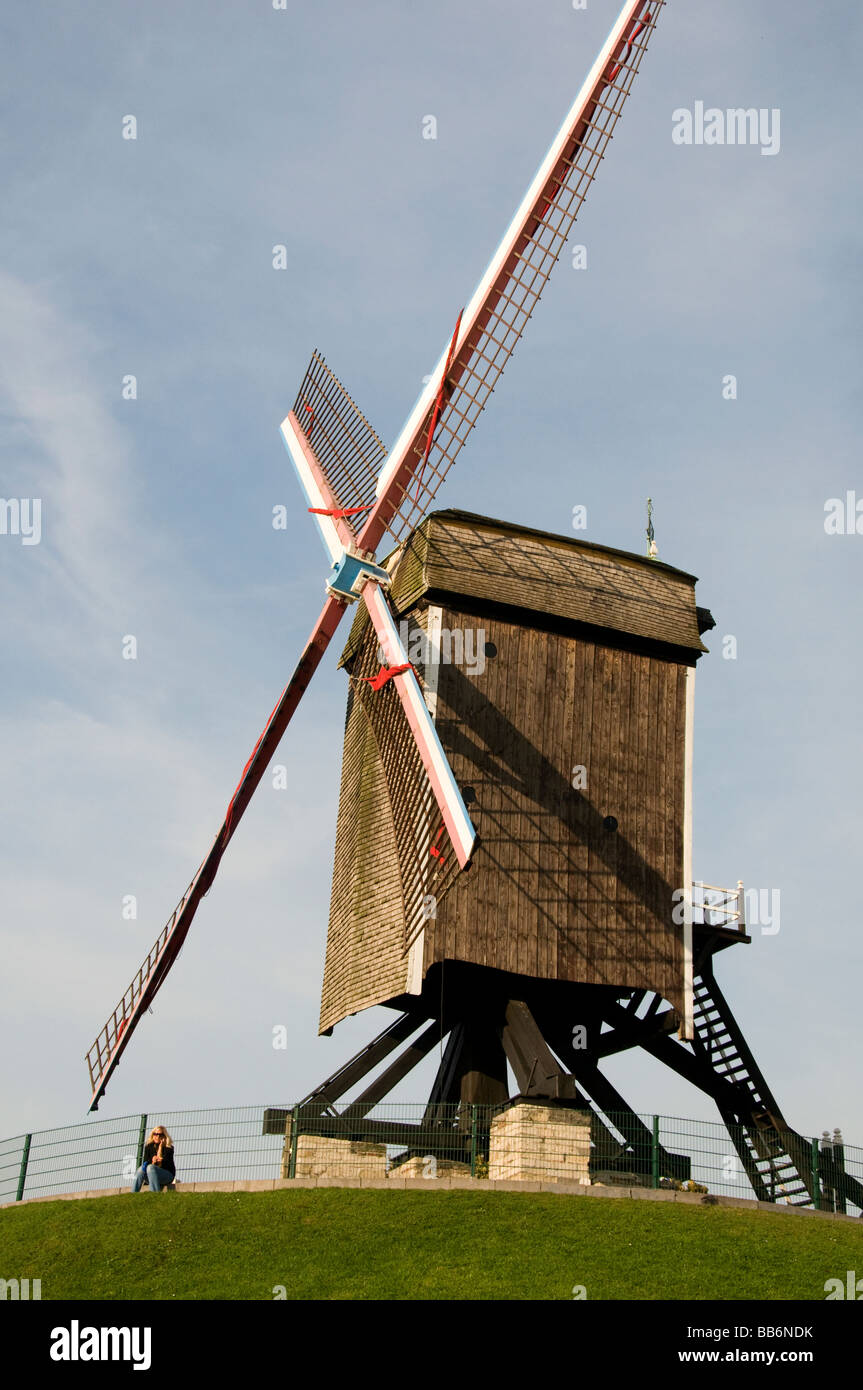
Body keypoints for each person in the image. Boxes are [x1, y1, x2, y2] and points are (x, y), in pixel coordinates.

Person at [132, 1125, 176, 1192]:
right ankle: (133, 1193)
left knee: (150, 1167)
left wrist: (160, 1148)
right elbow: (145, 1161)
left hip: (167, 1175)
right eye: (155, 1134)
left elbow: (167, 1164)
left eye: (160, 1135)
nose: (157, 1136)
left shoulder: (169, 1148)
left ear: (164, 1136)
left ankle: (154, 1193)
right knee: (141, 1169)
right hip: (151, 1175)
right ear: (152, 1135)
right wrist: (152, 1161)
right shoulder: (148, 1146)